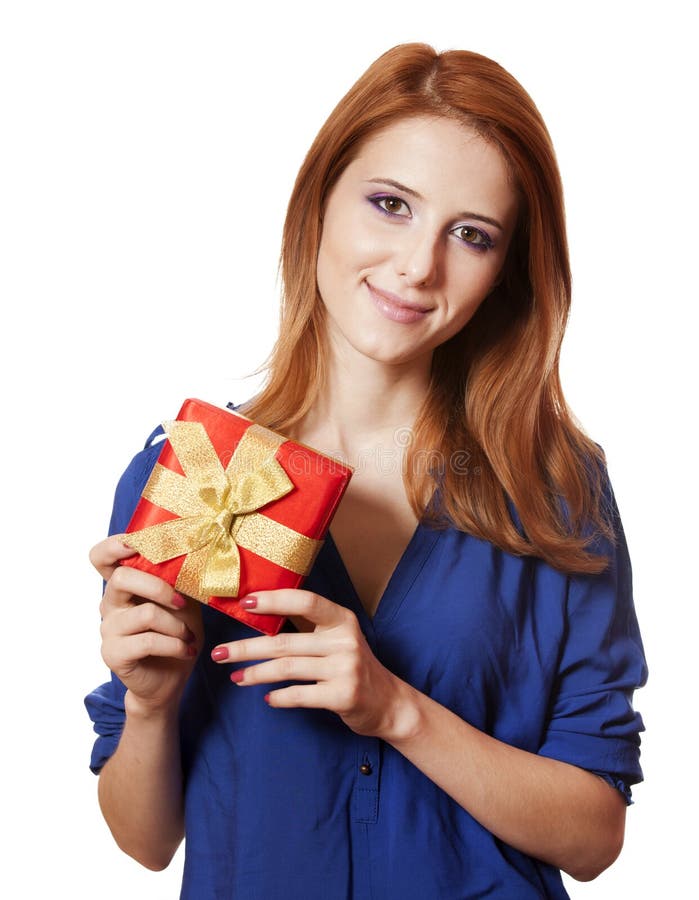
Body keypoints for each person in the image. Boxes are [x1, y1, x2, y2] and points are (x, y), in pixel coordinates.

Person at [85, 43, 647, 899]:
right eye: (390, 205)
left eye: (471, 234)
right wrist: (153, 704)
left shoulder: (556, 492)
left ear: (502, 271)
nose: (418, 266)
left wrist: (398, 710)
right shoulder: (188, 473)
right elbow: (145, 841)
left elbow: (593, 837)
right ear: (319, 203)